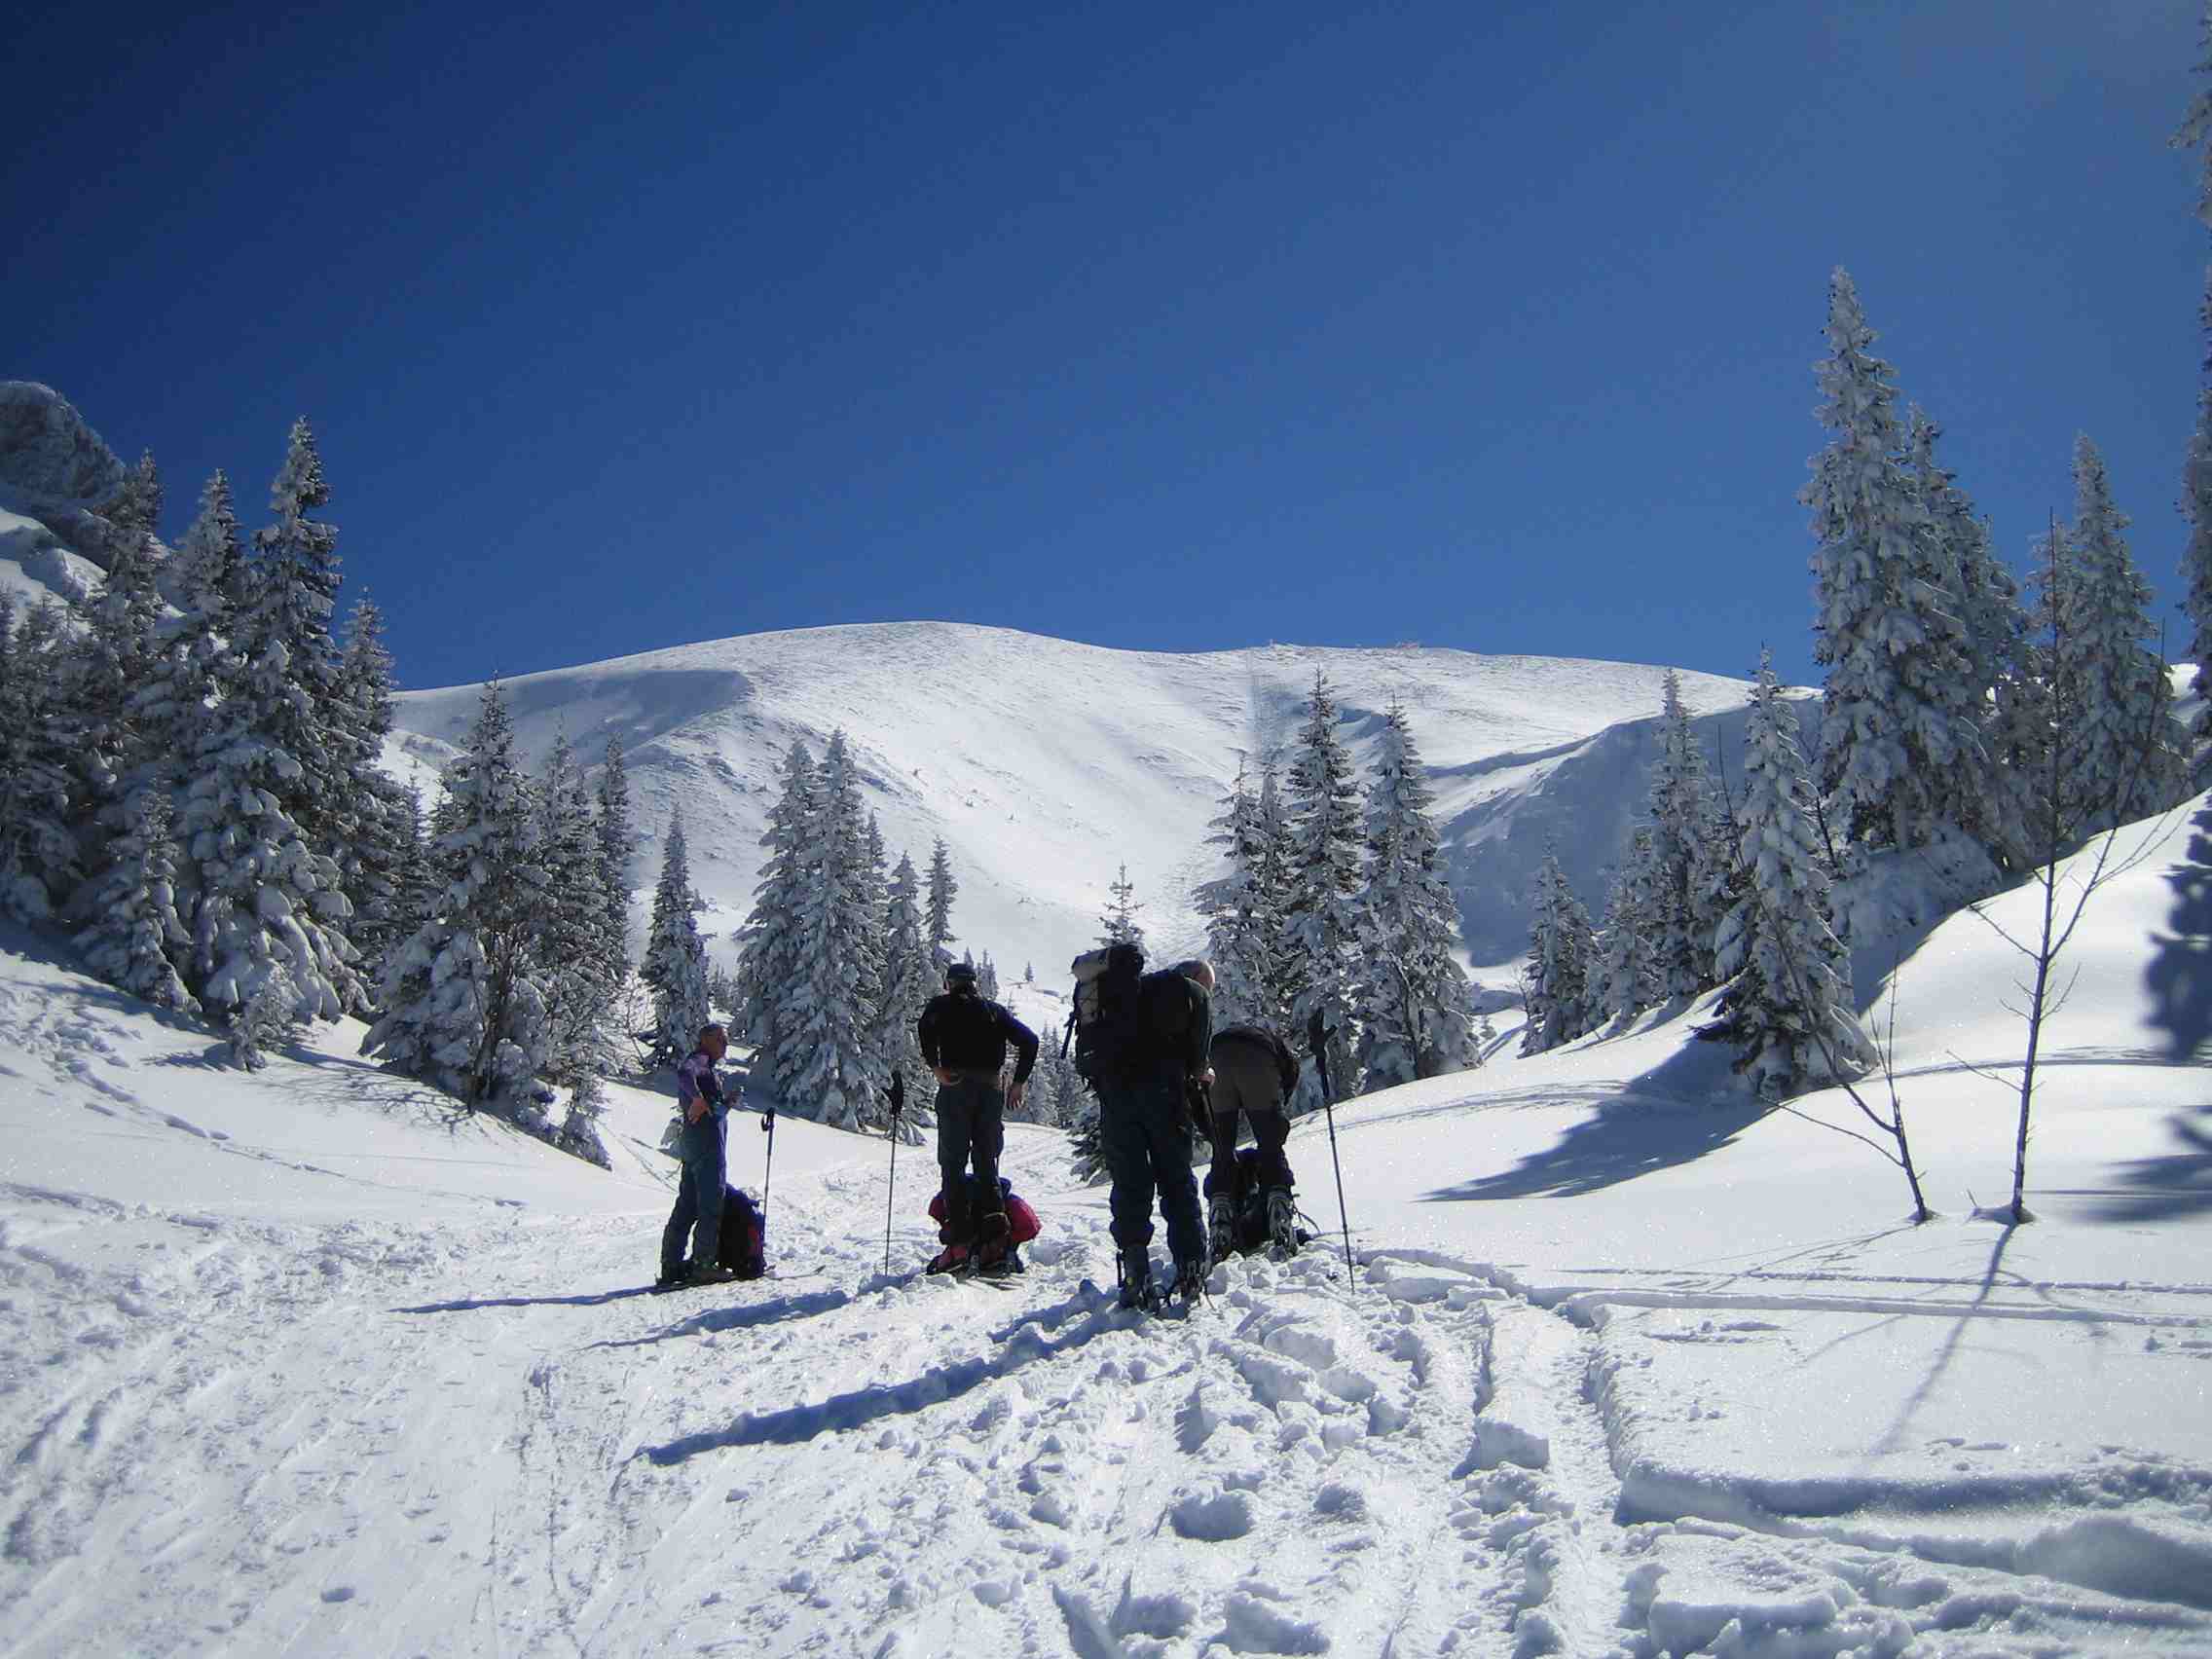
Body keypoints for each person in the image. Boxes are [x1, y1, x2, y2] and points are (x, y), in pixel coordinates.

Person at [1092, 948, 1214, 1308]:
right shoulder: (1193, 994)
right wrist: (1201, 1074)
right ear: (1199, 979)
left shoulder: (1130, 991)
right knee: (1176, 1179)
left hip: (1115, 1100)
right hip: (1165, 1097)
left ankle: (1135, 1269)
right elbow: (1198, 1061)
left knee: (1130, 1182)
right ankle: (1191, 1267)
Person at [918, 960, 1039, 1274]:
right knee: (987, 1164)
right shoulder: (993, 1011)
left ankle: (960, 1244)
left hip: (954, 1089)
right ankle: (994, 1245)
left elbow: (925, 1032)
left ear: (949, 983)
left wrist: (935, 1067)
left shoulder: (939, 1007)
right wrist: (1018, 1082)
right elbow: (1030, 1041)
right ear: (974, 984)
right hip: (989, 1092)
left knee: (953, 1164)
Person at [1205, 1020, 1301, 1261]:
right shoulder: (1277, 1048)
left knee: (1222, 1151)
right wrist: (1275, 1114)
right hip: (1259, 1058)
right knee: (1271, 1148)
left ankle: (1221, 1211)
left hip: (1216, 1059)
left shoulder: (1222, 1038)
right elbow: (1289, 1076)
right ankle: (1279, 1207)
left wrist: (1213, 1132)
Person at [658, 1023, 739, 1288]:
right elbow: (684, 1073)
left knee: (687, 1204)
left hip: (695, 1142)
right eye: (721, 1040)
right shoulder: (699, 1061)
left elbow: (712, 1110)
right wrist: (697, 1098)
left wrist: (725, 1103)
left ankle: (671, 1265)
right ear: (706, 1040)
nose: (725, 1045)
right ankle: (703, 1265)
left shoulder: (706, 1066)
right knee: (710, 1203)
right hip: (706, 1144)